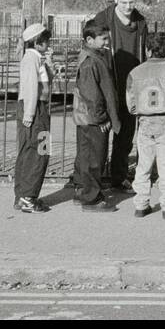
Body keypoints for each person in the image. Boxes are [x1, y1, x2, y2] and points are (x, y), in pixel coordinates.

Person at [92, 0, 148, 189]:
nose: (127, 7)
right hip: (108, 83)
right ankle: (94, 179)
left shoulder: (141, 22)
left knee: (125, 135)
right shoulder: (103, 19)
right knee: (102, 134)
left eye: (131, 3)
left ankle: (119, 175)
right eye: (123, 3)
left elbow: (144, 52)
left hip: (132, 85)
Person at [128, 31, 165, 219]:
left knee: (143, 164)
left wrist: (137, 111)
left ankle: (141, 203)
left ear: (147, 50)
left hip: (145, 121)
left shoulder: (135, 72)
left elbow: (130, 100)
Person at [72, 20, 120, 211]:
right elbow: (92, 95)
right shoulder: (91, 62)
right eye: (103, 39)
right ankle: (91, 199)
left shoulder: (90, 57)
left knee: (86, 156)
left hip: (86, 117)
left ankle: (83, 190)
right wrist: (102, 118)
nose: (107, 42)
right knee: (95, 159)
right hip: (93, 119)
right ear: (89, 40)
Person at [13, 23, 54, 213]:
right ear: (37, 42)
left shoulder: (37, 58)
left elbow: (45, 82)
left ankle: (24, 195)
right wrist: (29, 113)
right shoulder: (31, 59)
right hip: (36, 109)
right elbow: (30, 87)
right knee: (38, 151)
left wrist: (49, 65)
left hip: (38, 108)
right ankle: (27, 197)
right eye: (46, 41)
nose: (48, 44)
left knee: (35, 150)